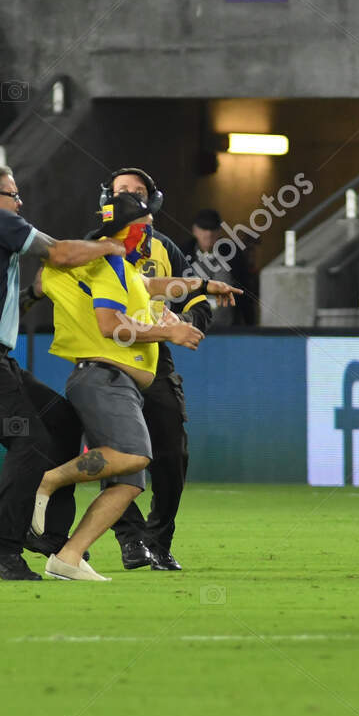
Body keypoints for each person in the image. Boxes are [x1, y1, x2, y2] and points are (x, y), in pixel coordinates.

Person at [0, 162, 126, 580]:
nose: (20, 203)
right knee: (29, 439)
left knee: (62, 421)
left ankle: (48, 534)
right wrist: (108, 248)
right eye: (13, 195)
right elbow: (60, 253)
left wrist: (35, 292)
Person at [30, 185, 209, 581]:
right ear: (129, 230)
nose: (148, 235)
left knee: (129, 483)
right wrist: (169, 334)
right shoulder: (111, 264)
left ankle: (69, 557)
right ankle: (47, 480)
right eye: (143, 227)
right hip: (105, 377)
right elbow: (110, 326)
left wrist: (203, 286)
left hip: (112, 380)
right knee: (135, 456)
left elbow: (149, 288)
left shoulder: (109, 267)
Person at [88, 171, 230, 572]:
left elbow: (198, 298)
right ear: (106, 200)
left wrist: (187, 323)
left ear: (153, 201)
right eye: (122, 193)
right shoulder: (90, 247)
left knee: (172, 454)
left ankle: (159, 541)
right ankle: (130, 540)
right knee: (119, 455)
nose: (132, 199)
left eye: (138, 193)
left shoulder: (165, 247)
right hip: (106, 359)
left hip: (154, 360)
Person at [183, 209, 256, 327]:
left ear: (219, 231)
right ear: (195, 230)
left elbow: (245, 290)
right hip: (190, 328)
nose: (208, 234)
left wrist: (250, 324)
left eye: (213, 229)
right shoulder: (183, 253)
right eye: (204, 229)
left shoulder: (233, 255)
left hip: (227, 329)